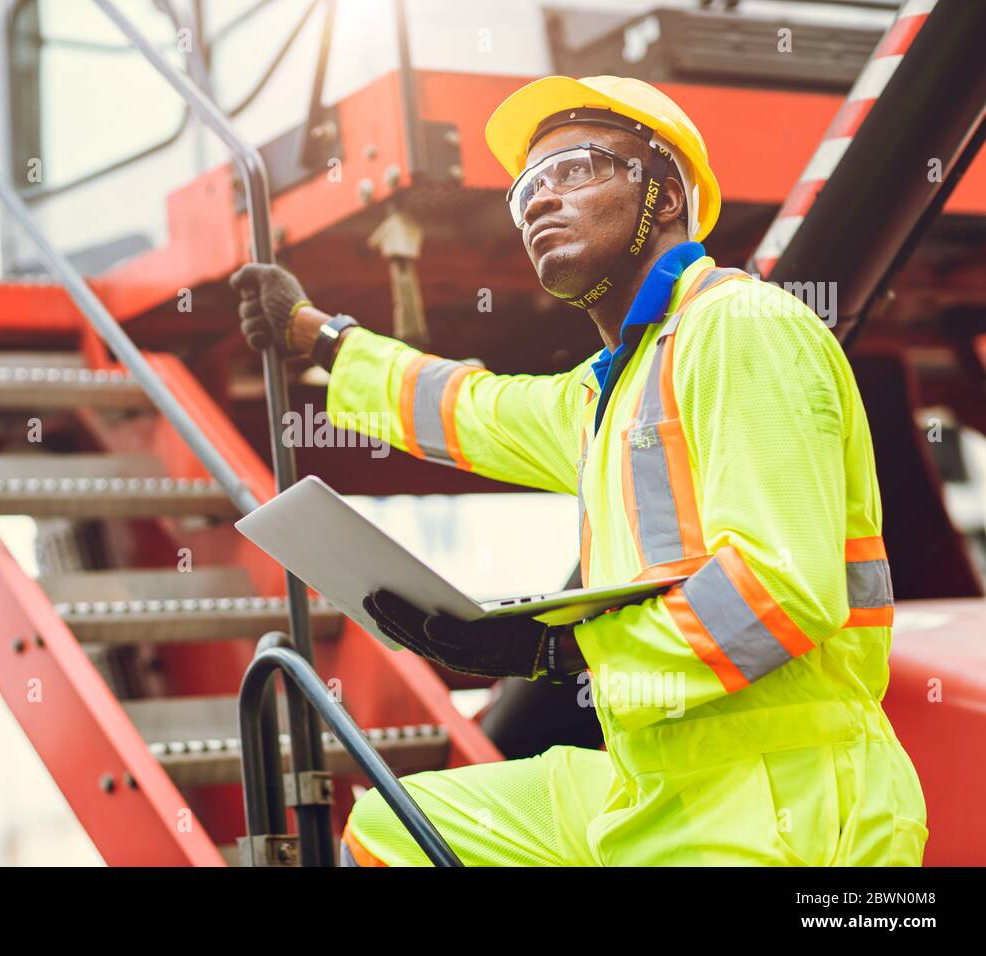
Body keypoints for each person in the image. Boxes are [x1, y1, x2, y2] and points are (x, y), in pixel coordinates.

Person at [229, 75, 927, 866]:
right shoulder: (613, 389)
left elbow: (780, 593)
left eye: (576, 171)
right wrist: (320, 337)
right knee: (393, 828)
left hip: (782, 798)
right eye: (528, 187)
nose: (537, 201)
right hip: (656, 784)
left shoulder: (743, 326)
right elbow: (470, 409)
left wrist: (555, 652)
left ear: (663, 199)